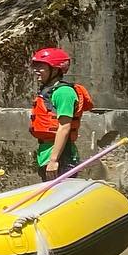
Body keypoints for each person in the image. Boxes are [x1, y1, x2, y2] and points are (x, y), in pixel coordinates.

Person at [29, 47, 94, 181]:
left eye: (41, 67)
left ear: (55, 70)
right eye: (35, 66)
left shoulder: (63, 93)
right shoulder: (48, 91)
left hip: (62, 158)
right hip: (46, 155)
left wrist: (53, 160)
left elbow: (64, 127)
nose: (36, 70)